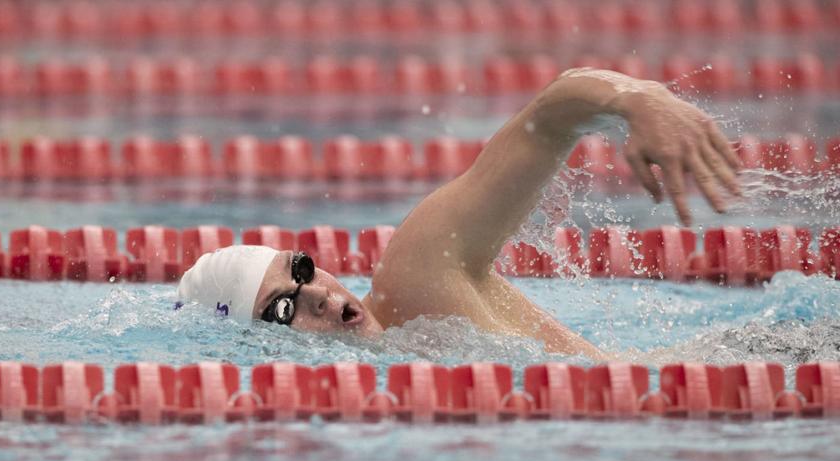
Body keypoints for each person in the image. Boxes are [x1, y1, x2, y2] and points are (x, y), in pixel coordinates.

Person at [176, 68, 743, 358]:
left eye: (299, 272)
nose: (319, 295)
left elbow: (547, 119)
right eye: (283, 310)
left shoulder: (413, 282)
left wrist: (638, 99)